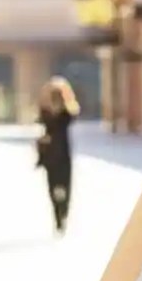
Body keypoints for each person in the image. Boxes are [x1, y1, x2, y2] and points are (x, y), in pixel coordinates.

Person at [36, 76, 80, 235]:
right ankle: (58, 217)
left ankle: (62, 215)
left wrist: (65, 95)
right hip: (52, 154)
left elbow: (73, 112)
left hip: (61, 153)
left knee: (63, 186)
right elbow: (41, 118)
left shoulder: (66, 113)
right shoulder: (46, 111)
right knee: (54, 187)